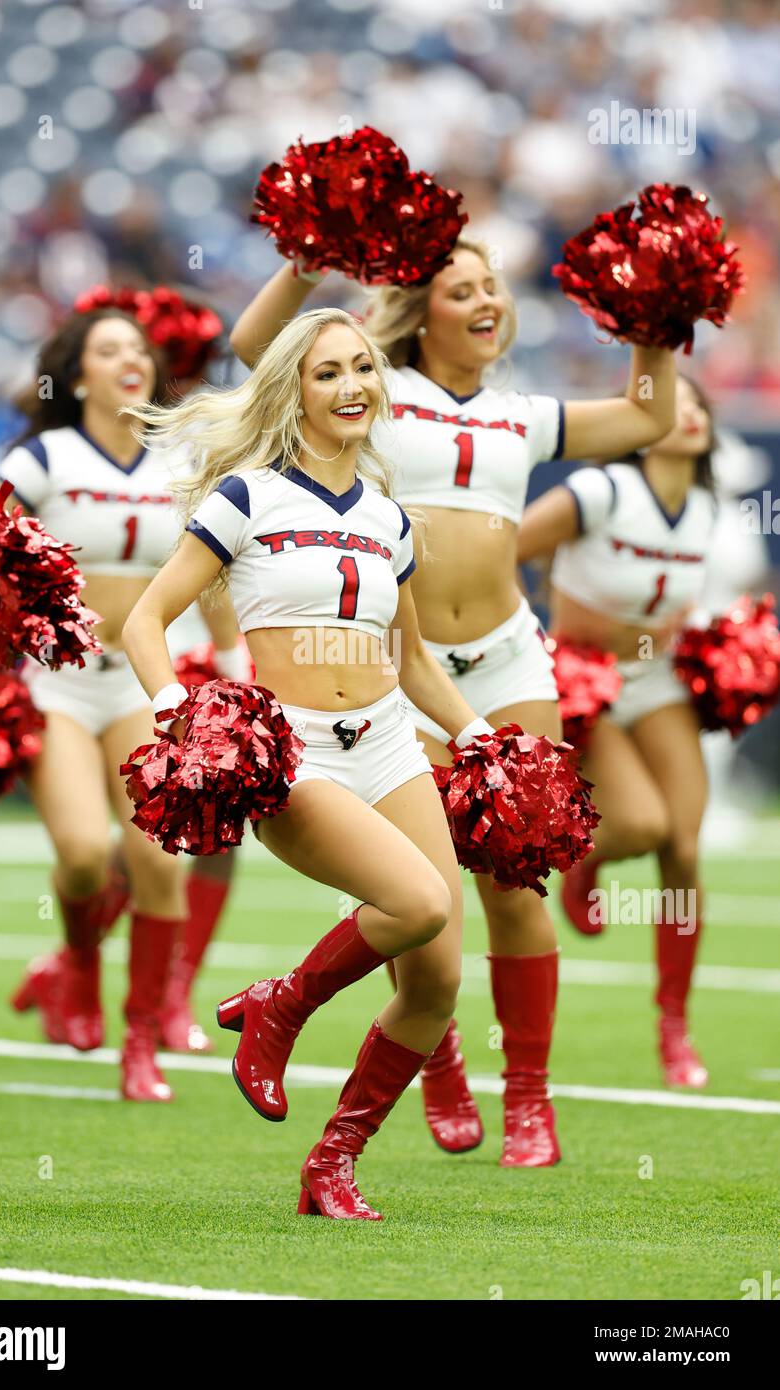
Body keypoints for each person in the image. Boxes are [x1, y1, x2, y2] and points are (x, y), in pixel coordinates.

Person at [227, 236, 677, 1164]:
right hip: (406, 672)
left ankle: (530, 1102)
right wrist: (312, 254)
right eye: (459, 288)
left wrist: (657, 319)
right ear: (419, 310)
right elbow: (255, 346)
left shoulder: (523, 415)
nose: (485, 301)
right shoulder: (379, 392)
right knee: (423, 892)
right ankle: (436, 1048)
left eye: (492, 287)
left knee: (517, 881)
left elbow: (646, 417)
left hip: (509, 661)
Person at [122, 307, 500, 1219]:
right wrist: (181, 717)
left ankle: (333, 1165)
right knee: (416, 903)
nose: (352, 387)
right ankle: (282, 1005)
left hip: (389, 741)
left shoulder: (388, 517)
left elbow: (413, 664)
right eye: (328, 373)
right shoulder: (246, 497)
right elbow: (143, 620)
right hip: (289, 749)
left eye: (363, 368)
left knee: (441, 978)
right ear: (294, 388)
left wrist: (487, 736)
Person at [0, 306, 208, 1101]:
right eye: (107, 349)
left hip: (138, 681)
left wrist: (226, 666)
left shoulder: (184, 462)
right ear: (76, 374)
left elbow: (212, 577)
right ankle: (78, 963)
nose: (129, 360)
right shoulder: (44, 458)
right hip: (56, 678)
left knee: (160, 859)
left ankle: (140, 1043)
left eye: (139, 349)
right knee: (86, 853)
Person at [518, 375, 717, 1088]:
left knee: (686, 849)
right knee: (638, 824)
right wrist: (527, 633)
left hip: (656, 681)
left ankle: (675, 1025)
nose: (688, 412)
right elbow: (502, 550)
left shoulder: (703, 508)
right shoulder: (599, 492)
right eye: (675, 401)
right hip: (585, 680)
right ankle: (586, 863)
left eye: (699, 404)